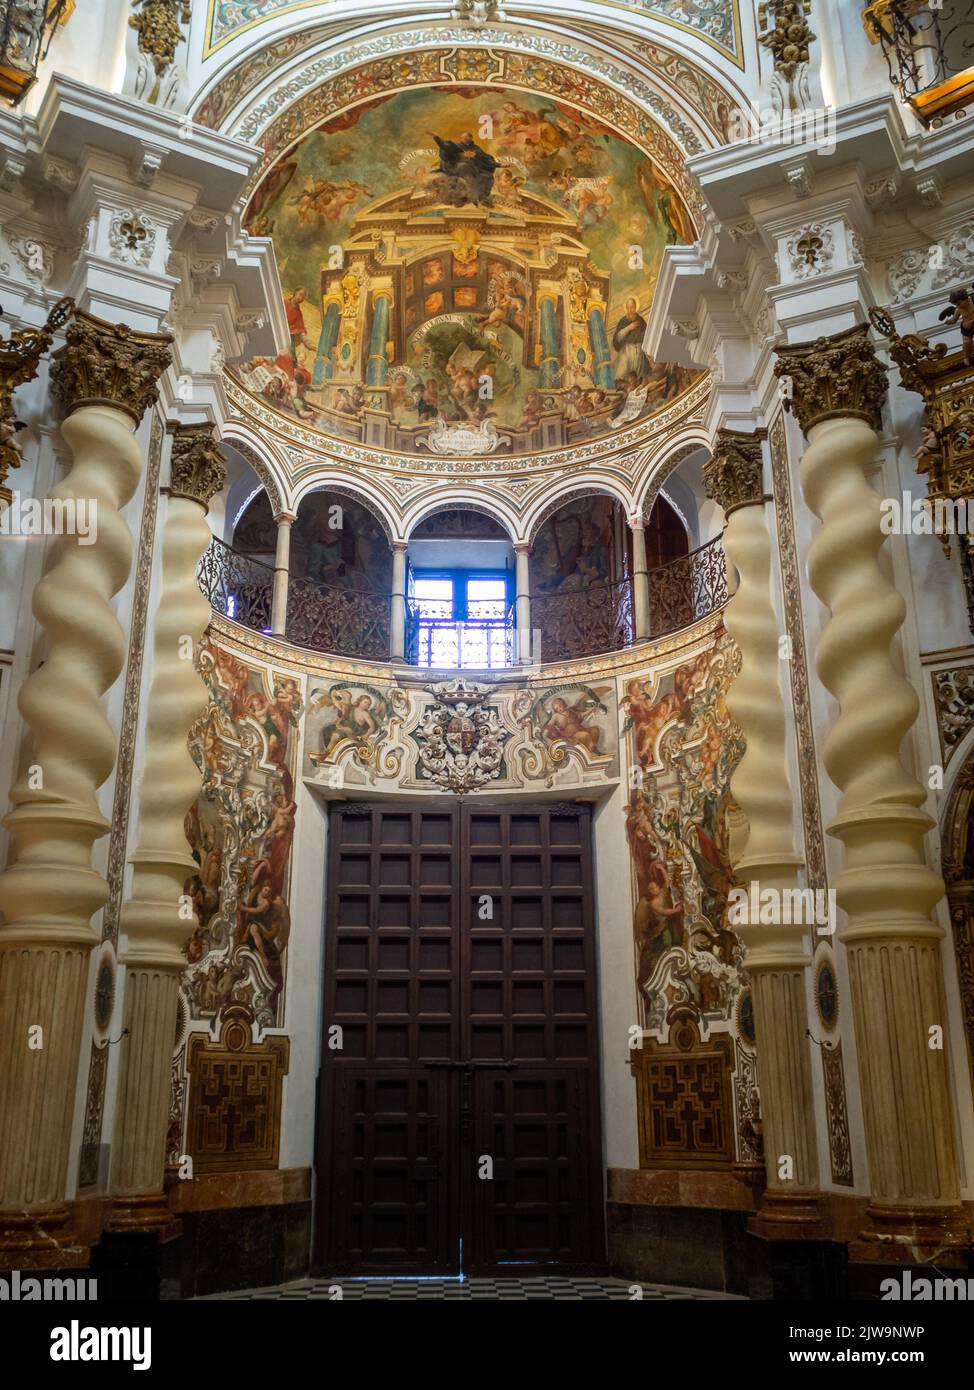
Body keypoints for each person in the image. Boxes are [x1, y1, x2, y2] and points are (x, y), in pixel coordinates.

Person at [612, 298, 649, 383]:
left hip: (638, 351)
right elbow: (617, 338)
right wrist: (628, 328)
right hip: (626, 351)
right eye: (628, 307)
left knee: (639, 374)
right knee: (622, 373)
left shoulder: (640, 320)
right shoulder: (623, 321)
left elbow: (646, 335)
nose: (630, 310)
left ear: (635, 307)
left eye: (632, 307)